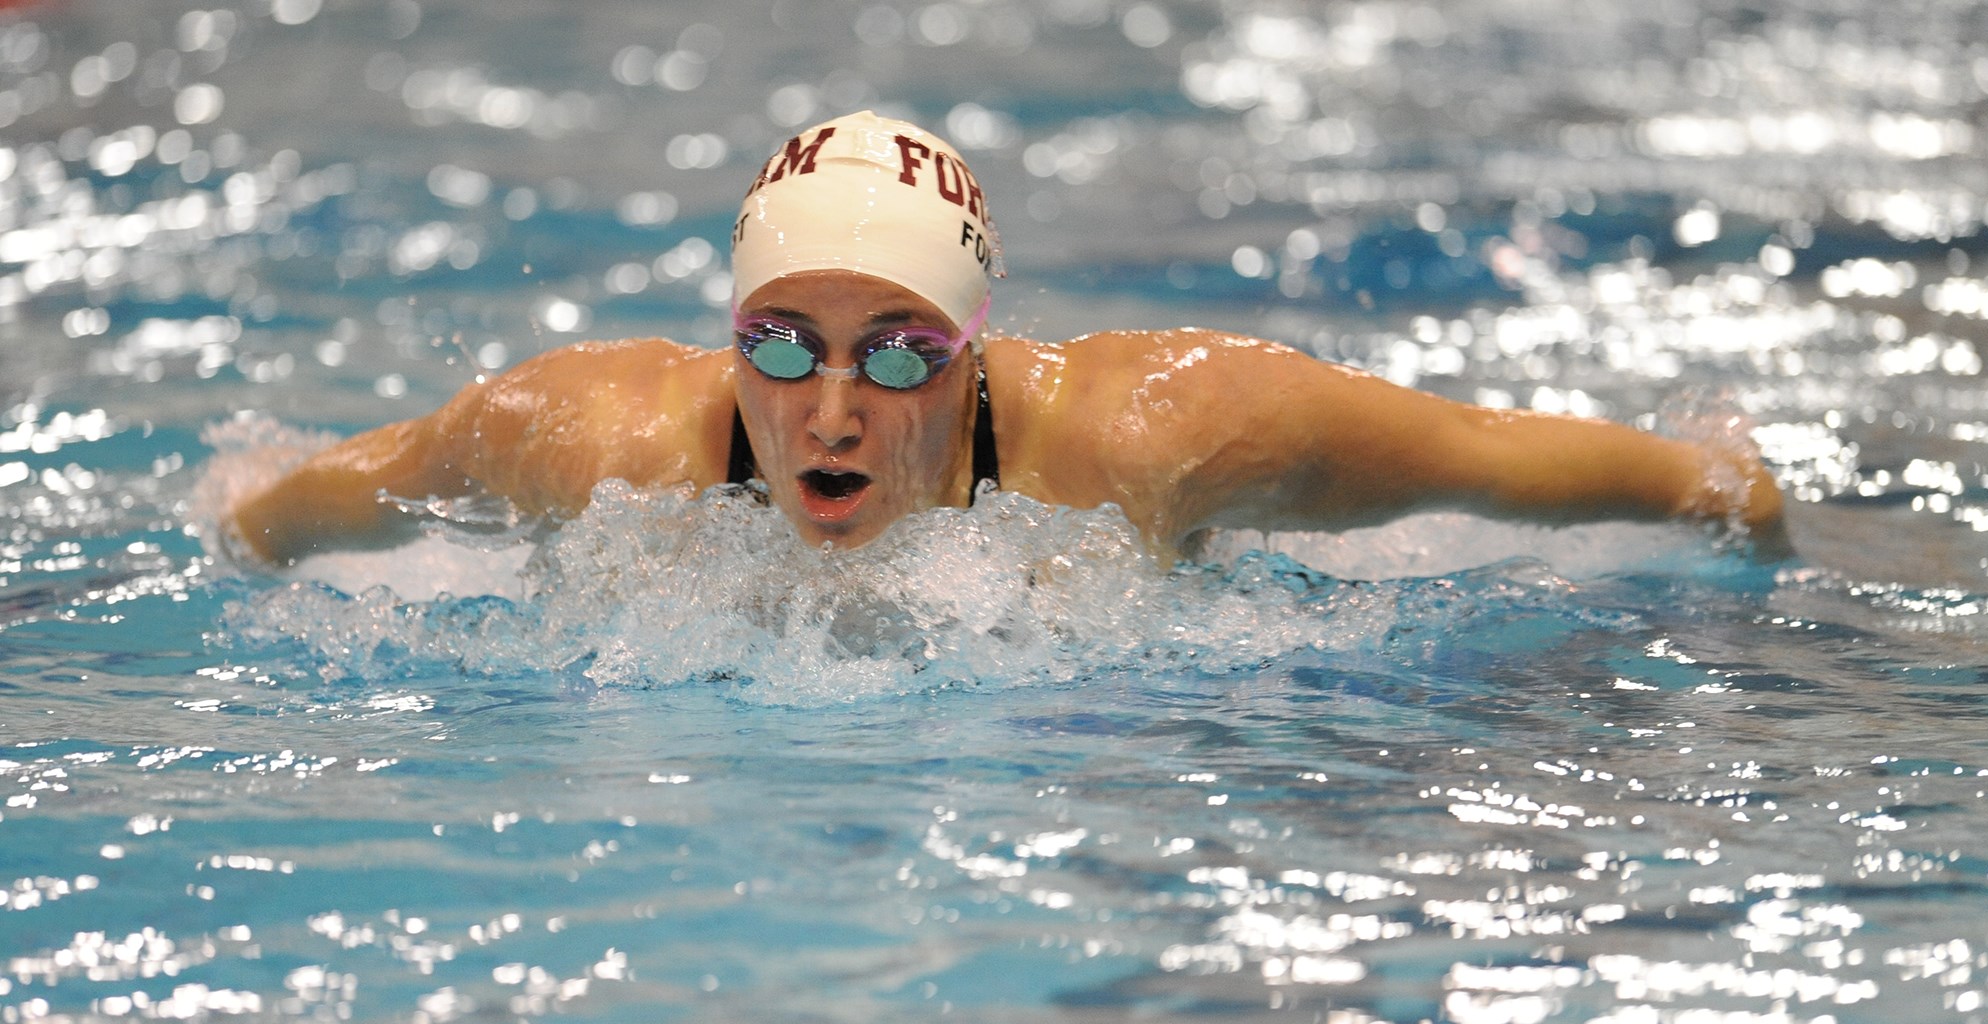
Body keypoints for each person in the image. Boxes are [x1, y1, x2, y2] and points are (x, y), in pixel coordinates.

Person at [226, 110, 1786, 567]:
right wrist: (240, 521)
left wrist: (1721, 489)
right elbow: (318, 494)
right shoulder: (593, 440)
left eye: (897, 351)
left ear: (976, 347)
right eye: (785, 345)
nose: (832, 408)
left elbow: (1491, 460)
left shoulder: (1159, 434)